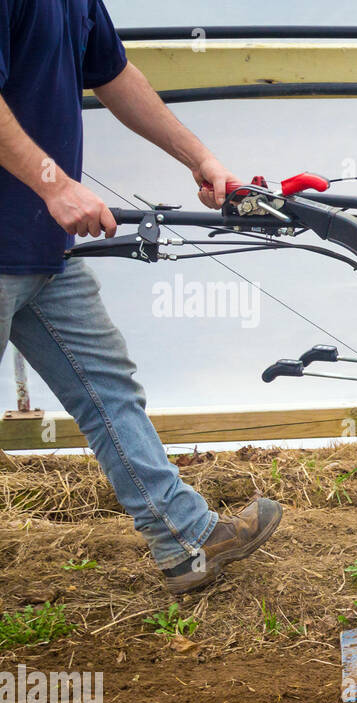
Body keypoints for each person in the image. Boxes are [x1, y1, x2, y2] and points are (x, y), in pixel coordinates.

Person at [0, 0, 280, 594]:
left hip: (42, 247)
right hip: (20, 229)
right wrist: (56, 185)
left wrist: (199, 158)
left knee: (108, 387)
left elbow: (115, 75)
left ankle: (186, 541)